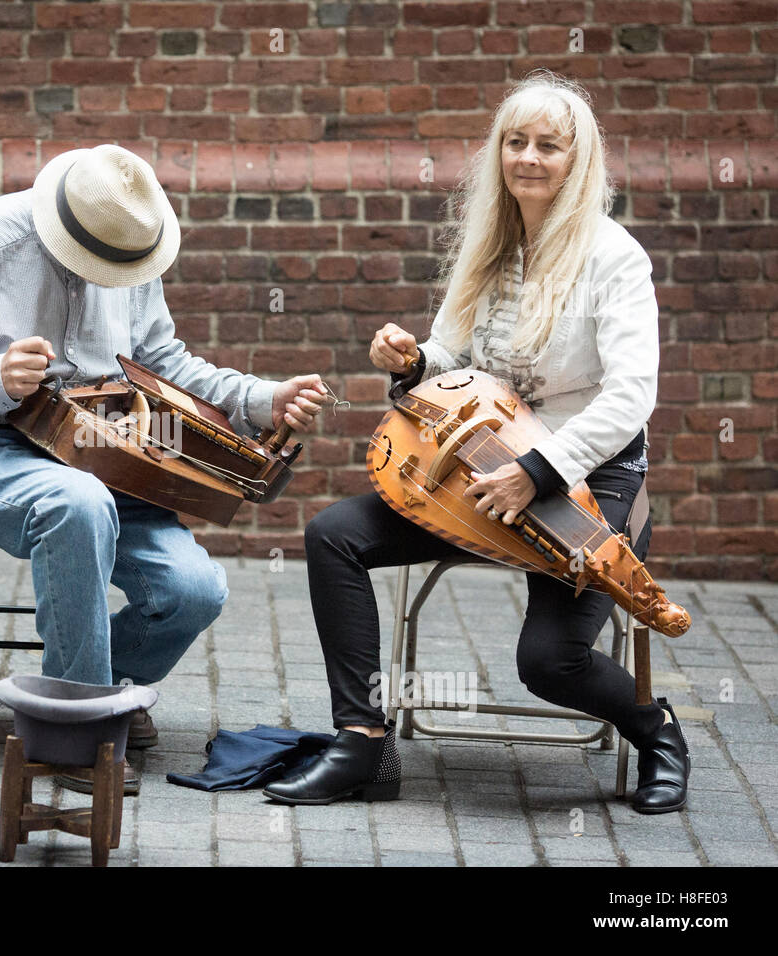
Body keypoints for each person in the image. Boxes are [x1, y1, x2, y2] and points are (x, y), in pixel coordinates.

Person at [264, 72, 689, 815]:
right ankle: (362, 742)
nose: (528, 157)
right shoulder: (492, 244)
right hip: (484, 472)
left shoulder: (613, 258)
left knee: (549, 662)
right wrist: (414, 360)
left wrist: (539, 470)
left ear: (578, 159)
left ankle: (657, 733)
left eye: (548, 145)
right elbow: (457, 356)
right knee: (334, 535)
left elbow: (632, 396)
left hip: (586, 475)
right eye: (515, 142)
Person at [0, 144, 329, 792]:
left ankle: (98, 693)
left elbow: (160, 361)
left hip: (109, 460)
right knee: (75, 503)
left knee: (191, 592)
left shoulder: (127, 243)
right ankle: (75, 740)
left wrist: (259, 397)